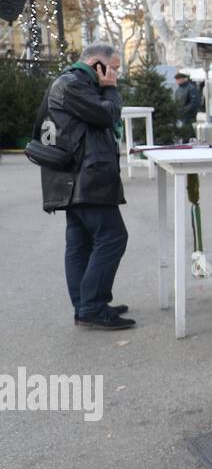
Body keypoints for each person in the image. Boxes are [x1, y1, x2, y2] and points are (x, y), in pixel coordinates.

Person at [38, 44, 135, 330]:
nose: (116, 74)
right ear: (97, 65)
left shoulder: (73, 83)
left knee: (80, 243)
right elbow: (107, 115)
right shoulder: (74, 85)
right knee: (113, 237)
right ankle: (91, 305)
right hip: (84, 177)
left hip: (76, 177)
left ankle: (86, 304)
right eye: (114, 68)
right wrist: (110, 89)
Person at [173, 71, 202, 138]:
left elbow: (195, 102)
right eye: (176, 80)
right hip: (181, 115)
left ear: (183, 79)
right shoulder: (178, 89)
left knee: (188, 132)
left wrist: (185, 110)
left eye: (178, 79)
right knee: (184, 133)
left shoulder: (191, 88)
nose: (177, 81)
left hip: (189, 115)